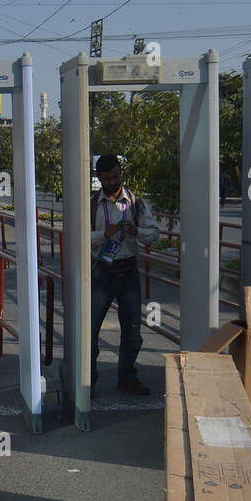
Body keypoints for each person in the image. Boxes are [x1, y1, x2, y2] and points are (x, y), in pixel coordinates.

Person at [88, 154, 159, 396]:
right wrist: (102, 235)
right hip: (101, 271)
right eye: (107, 179)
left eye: (116, 176)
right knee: (90, 330)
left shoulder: (137, 203)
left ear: (121, 174)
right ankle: (88, 382)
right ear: (99, 178)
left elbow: (154, 235)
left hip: (128, 270)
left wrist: (137, 231)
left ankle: (127, 378)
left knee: (132, 331)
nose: (112, 182)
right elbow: (78, 238)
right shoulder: (90, 204)